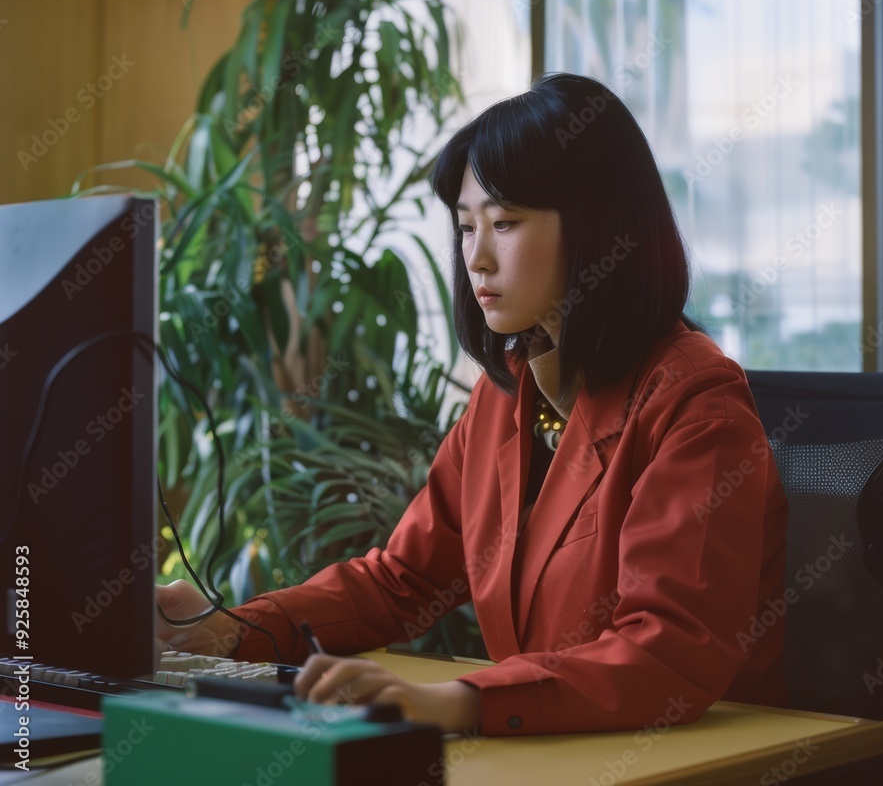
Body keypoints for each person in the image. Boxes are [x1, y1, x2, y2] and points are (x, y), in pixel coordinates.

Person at [157, 72, 788, 737]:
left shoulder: (695, 402)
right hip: (545, 757)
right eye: (465, 227)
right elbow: (402, 580)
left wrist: (458, 702)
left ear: (603, 230)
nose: (477, 259)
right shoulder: (507, 392)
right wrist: (233, 629)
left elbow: (666, 651)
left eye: (506, 223)